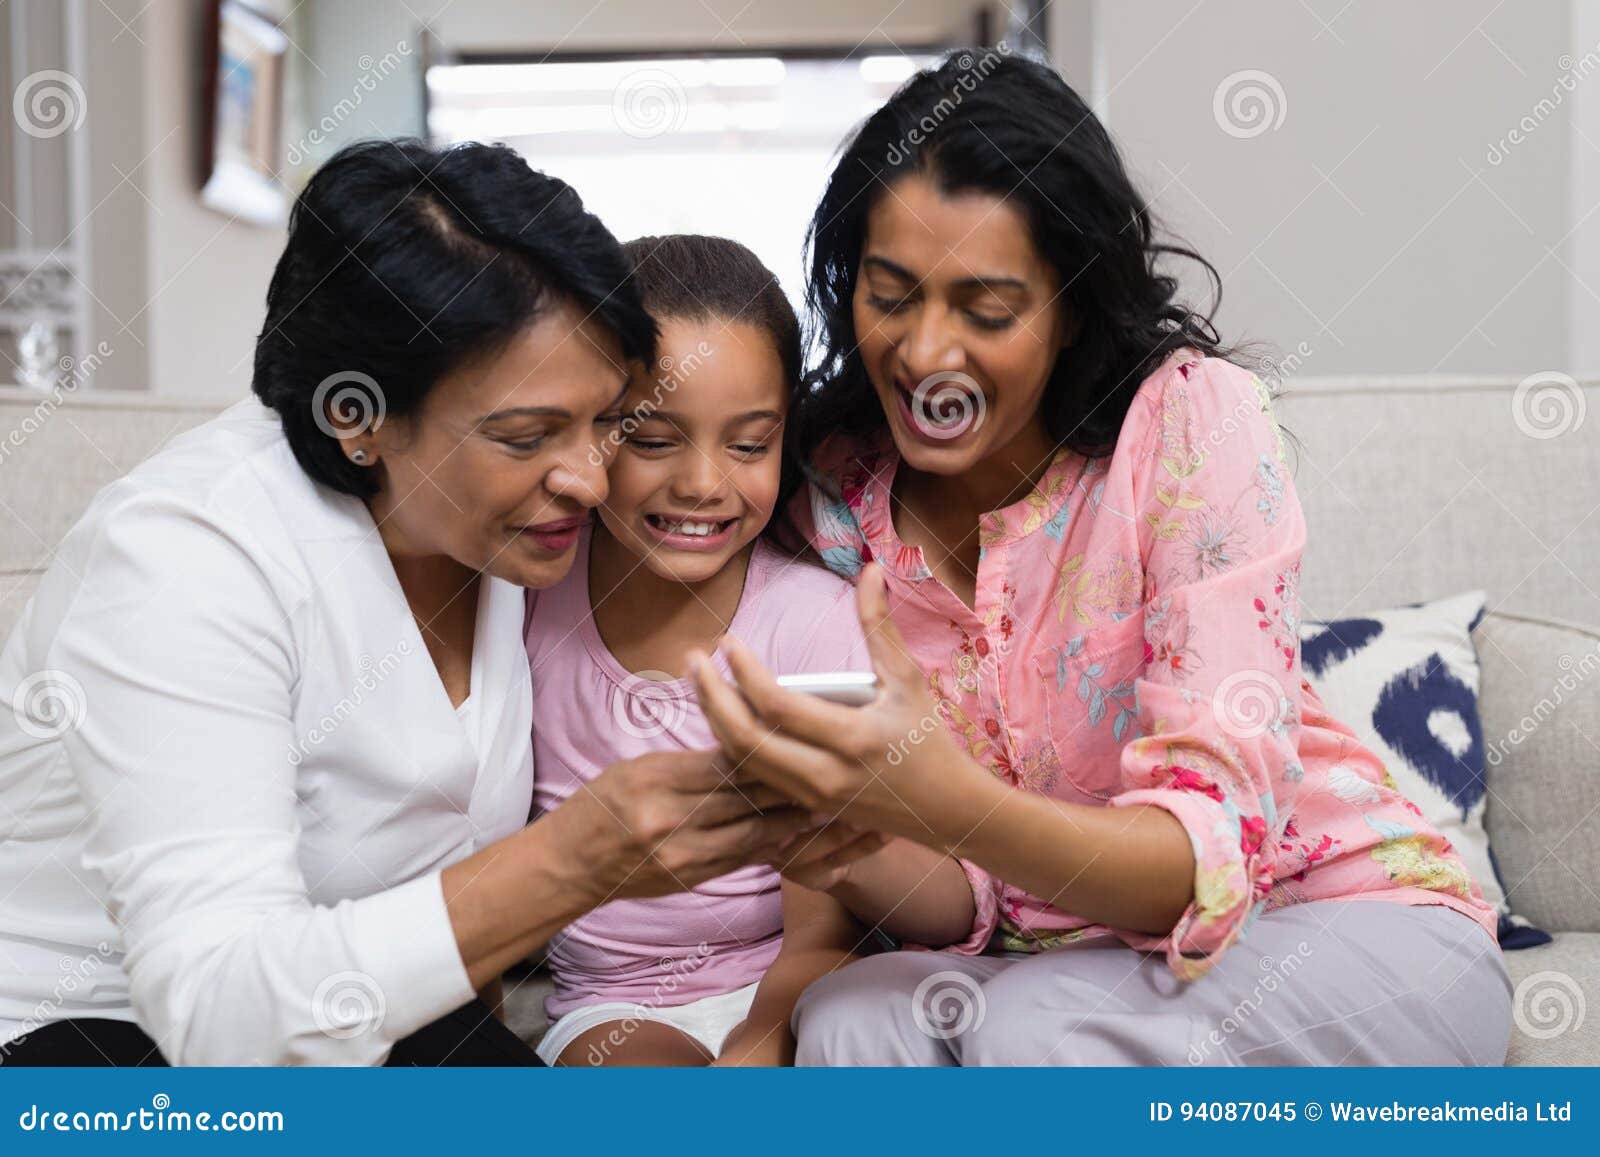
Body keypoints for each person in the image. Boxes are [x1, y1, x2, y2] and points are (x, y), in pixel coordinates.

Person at [688, 53, 1514, 1066]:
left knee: (1031, 1031)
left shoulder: (1184, 424)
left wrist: (951, 799)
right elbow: (967, 902)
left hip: (1334, 923)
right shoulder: (826, 493)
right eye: (889, 293)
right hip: (1056, 969)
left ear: (1071, 303)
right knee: (855, 1017)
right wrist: (836, 838)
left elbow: (1201, 857)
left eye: (985, 310)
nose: (924, 353)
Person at [0, 141, 865, 1066]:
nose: (585, 476)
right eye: (528, 435)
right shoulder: (185, 560)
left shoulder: (509, 542)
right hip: (104, 1042)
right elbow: (220, 1015)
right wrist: (578, 857)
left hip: (377, 1021)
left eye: (608, 418)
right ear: (357, 417)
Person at [524, 235, 874, 1066]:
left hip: (791, 987)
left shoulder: (815, 622)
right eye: (653, 440)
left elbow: (823, 932)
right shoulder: (528, 600)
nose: (704, 483)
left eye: (749, 444)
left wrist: (757, 1047)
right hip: (611, 1007)